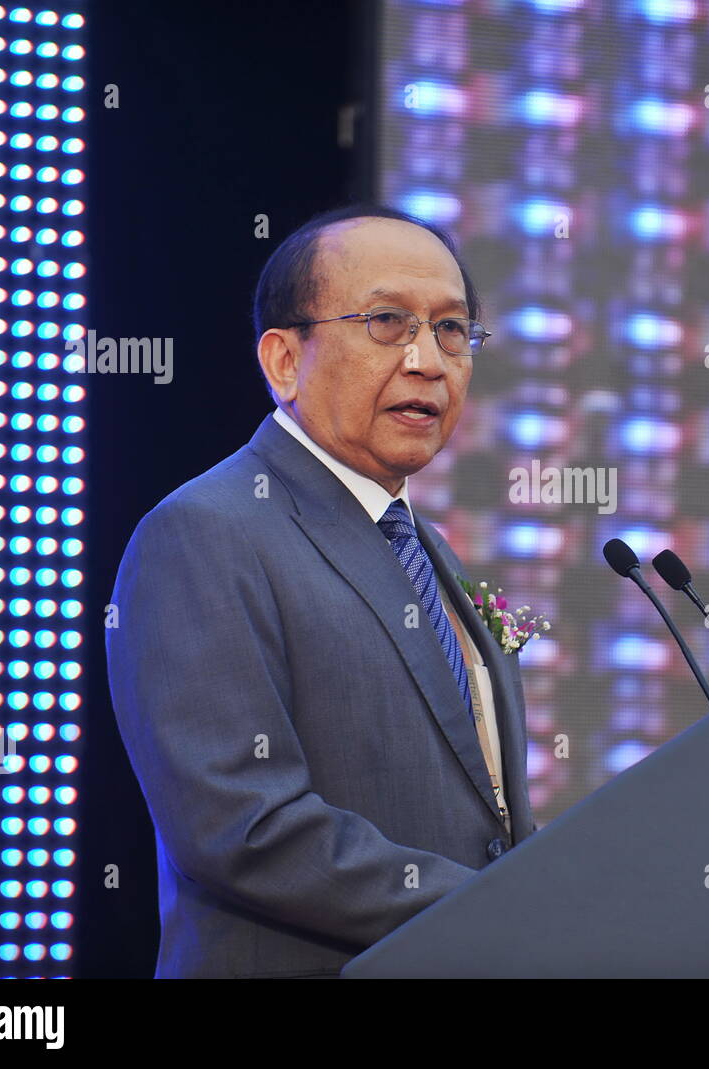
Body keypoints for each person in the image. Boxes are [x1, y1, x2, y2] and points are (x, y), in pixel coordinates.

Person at [106, 204, 536, 978]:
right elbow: (245, 827)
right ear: (283, 361)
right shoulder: (207, 533)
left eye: (451, 329)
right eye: (387, 322)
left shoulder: (424, 546)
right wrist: (498, 911)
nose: (428, 360)